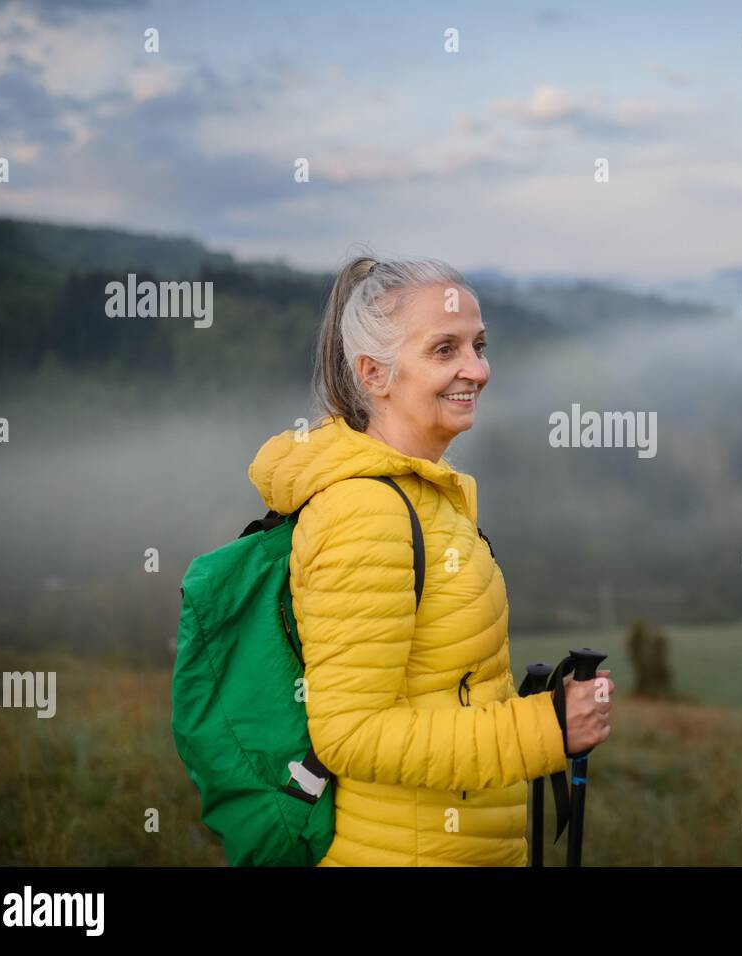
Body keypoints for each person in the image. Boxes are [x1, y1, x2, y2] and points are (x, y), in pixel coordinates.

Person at [247, 256, 613, 865]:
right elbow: (351, 734)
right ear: (373, 374)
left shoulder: (426, 493)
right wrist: (547, 729)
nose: (478, 369)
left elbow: (443, 693)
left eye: (479, 345)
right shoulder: (366, 512)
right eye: (445, 350)